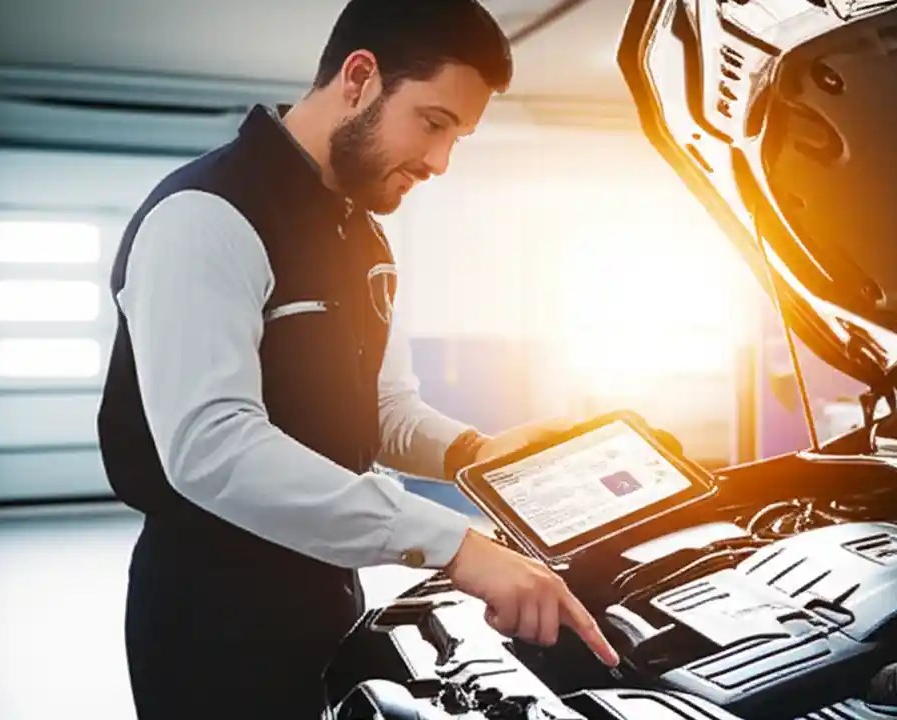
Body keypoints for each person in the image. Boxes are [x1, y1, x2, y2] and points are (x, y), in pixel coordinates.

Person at [96, 1, 618, 717]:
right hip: (214, 616)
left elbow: (382, 409)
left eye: (457, 137)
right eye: (433, 123)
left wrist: (480, 452)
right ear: (360, 78)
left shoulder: (362, 236)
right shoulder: (207, 216)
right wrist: (455, 546)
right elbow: (211, 449)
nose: (439, 162)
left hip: (328, 589)